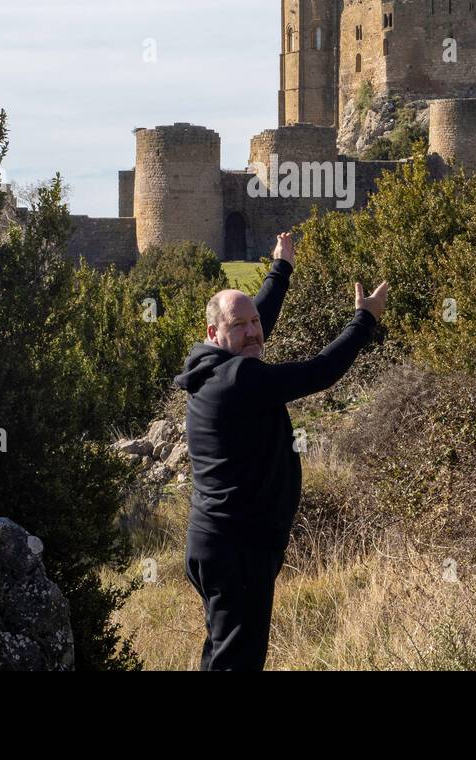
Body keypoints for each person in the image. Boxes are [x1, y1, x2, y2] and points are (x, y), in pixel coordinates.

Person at [175, 230, 388, 671]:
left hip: (220, 543)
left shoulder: (214, 366)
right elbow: (318, 373)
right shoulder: (238, 381)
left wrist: (281, 268)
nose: (254, 332)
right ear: (214, 332)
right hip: (238, 549)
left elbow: (255, 327)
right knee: (238, 662)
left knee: (222, 654)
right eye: (240, 326)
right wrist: (363, 321)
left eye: (254, 321)